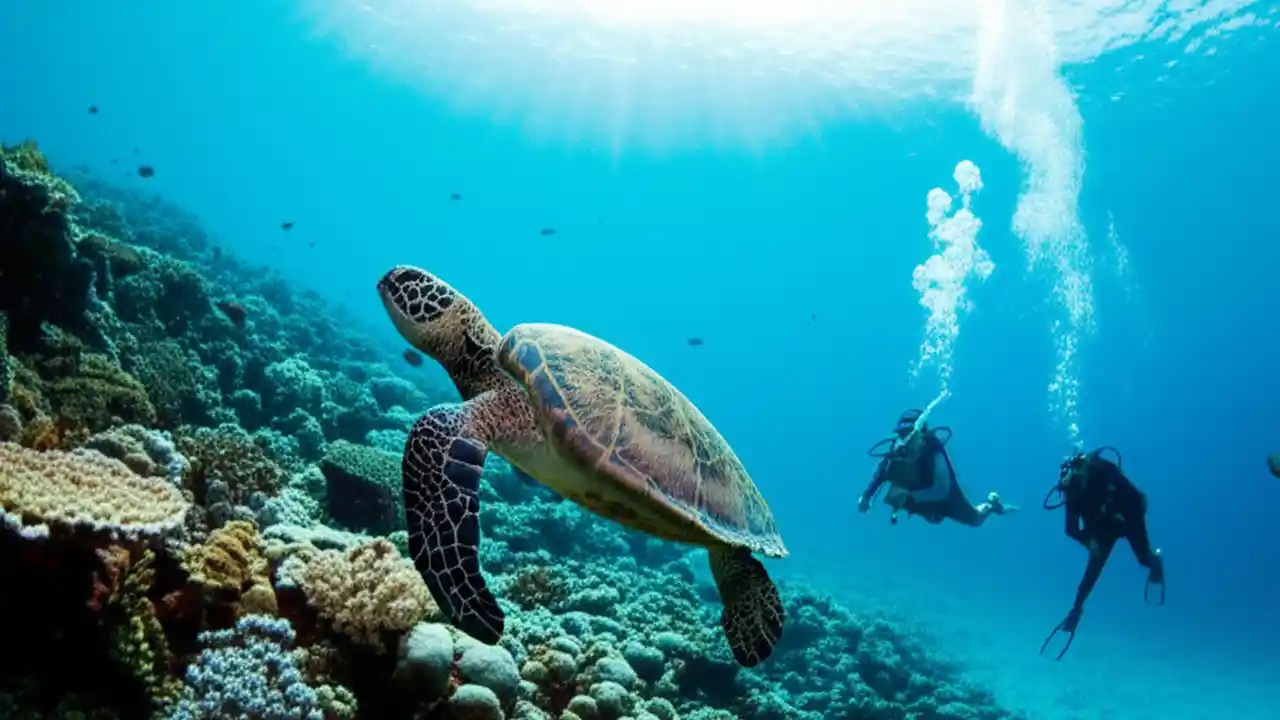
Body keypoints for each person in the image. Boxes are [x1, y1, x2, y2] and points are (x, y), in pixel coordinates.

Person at [1040, 447, 1165, 659]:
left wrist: (1129, 524)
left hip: (1127, 516)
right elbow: (1070, 530)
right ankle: (1075, 612)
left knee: (1144, 558)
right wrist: (1089, 543)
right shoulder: (1071, 490)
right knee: (1091, 575)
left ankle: (1154, 561)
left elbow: (1136, 500)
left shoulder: (1103, 471)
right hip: (1101, 529)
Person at [857, 409, 1016, 527]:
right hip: (917, 497)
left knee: (975, 520)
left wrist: (910, 496)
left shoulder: (933, 452)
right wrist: (866, 497)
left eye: (911, 434)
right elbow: (880, 475)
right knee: (930, 515)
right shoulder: (896, 451)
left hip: (946, 498)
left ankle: (992, 504)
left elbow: (942, 489)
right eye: (903, 434)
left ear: (922, 435)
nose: (906, 440)